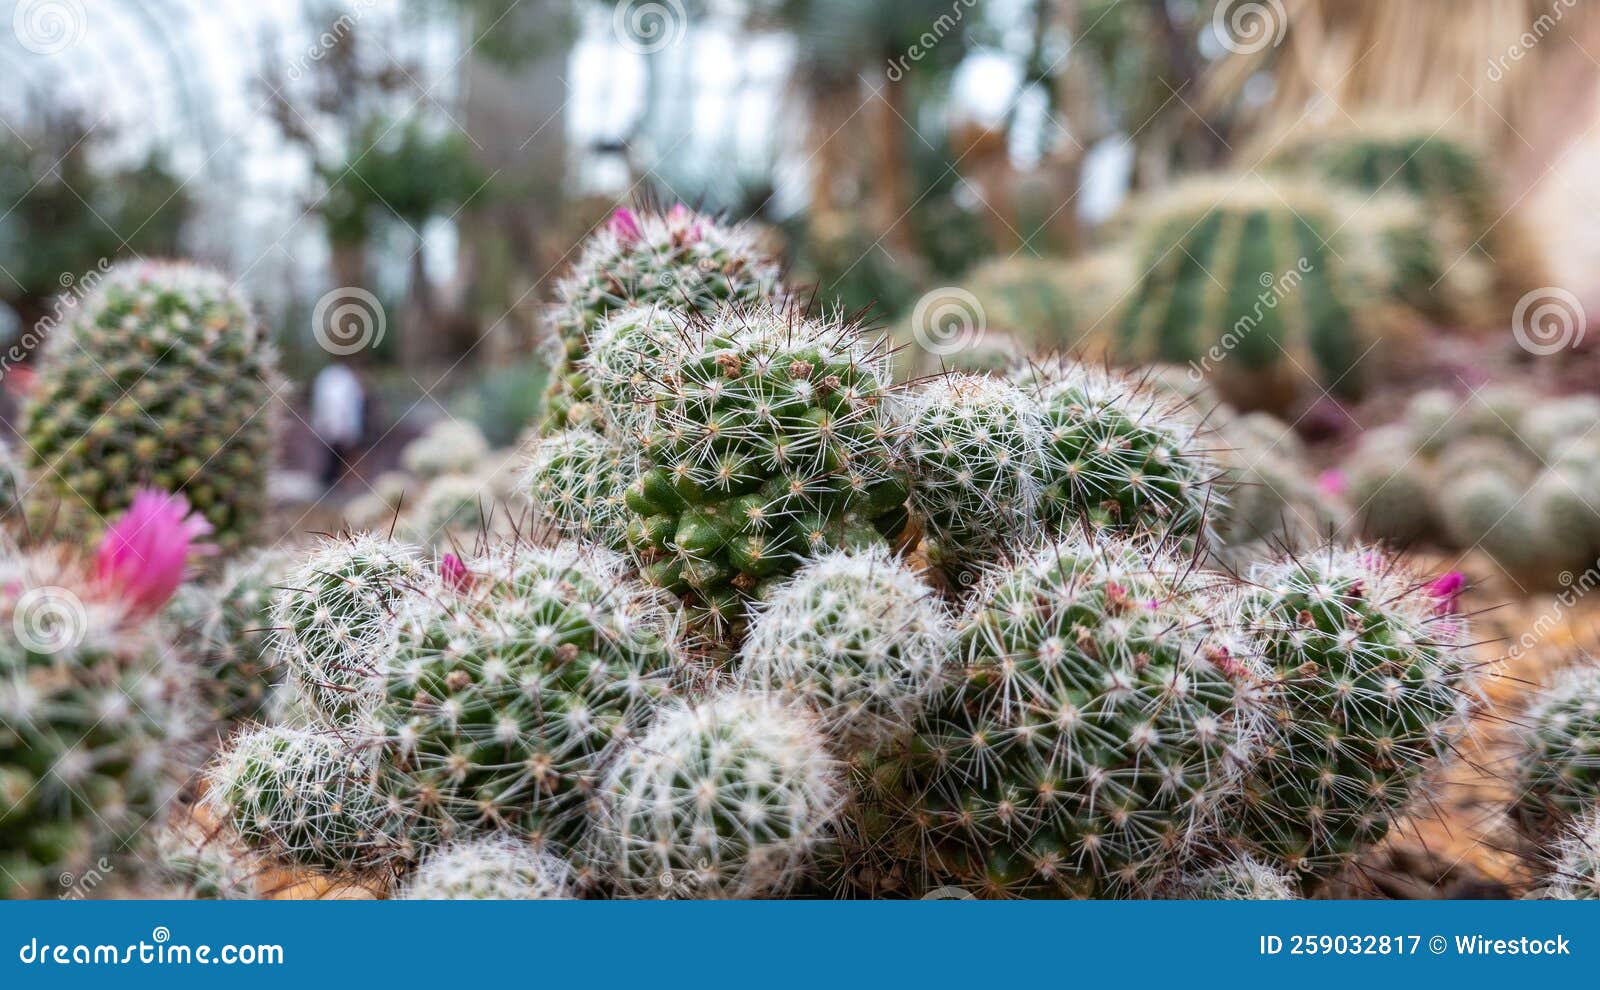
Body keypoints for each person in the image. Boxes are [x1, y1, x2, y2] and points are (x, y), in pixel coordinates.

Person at [311, 362, 365, 488]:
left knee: (337, 456)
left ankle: (331, 481)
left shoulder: (340, 379)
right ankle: (329, 480)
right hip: (336, 427)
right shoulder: (337, 378)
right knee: (334, 455)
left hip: (338, 427)